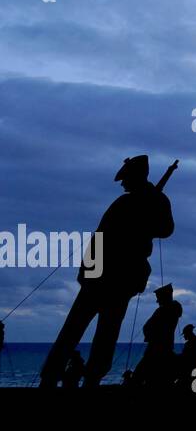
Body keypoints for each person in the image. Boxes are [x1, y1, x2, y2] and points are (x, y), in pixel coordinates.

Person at [40, 156, 176, 388]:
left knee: (105, 333)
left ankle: (91, 377)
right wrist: (88, 273)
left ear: (137, 177)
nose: (122, 184)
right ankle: (52, 375)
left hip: (120, 279)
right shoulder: (123, 203)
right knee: (77, 329)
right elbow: (99, 238)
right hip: (103, 278)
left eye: (126, 179)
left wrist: (146, 216)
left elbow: (165, 229)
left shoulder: (156, 201)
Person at [134, 283, 182, 387]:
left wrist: (150, 335)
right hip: (164, 348)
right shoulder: (171, 310)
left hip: (156, 349)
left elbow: (149, 326)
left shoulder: (163, 311)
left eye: (159, 298)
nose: (158, 301)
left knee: (139, 376)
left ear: (165, 297)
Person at [178, 324, 196, 388]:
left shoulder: (188, 344)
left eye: (185, 334)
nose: (184, 336)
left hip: (190, 370)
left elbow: (184, 356)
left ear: (188, 333)